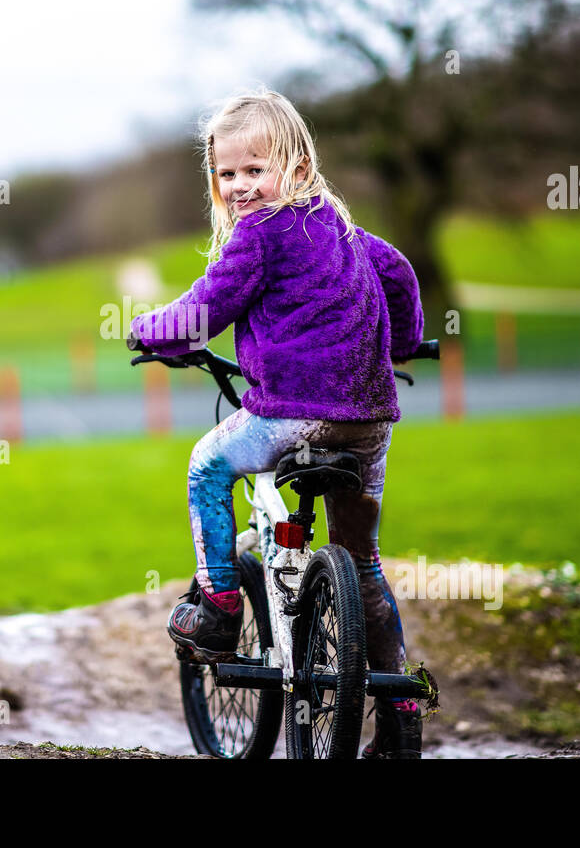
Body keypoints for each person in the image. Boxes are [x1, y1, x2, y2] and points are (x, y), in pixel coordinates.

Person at [126, 87, 426, 759]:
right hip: (370, 418)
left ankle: (219, 606)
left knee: (208, 462)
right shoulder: (346, 231)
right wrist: (404, 342)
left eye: (253, 169)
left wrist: (150, 332)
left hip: (290, 410)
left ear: (294, 164)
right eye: (226, 174)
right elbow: (400, 273)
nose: (238, 186)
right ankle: (402, 712)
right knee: (363, 562)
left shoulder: (259, 235)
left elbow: (205, 309)